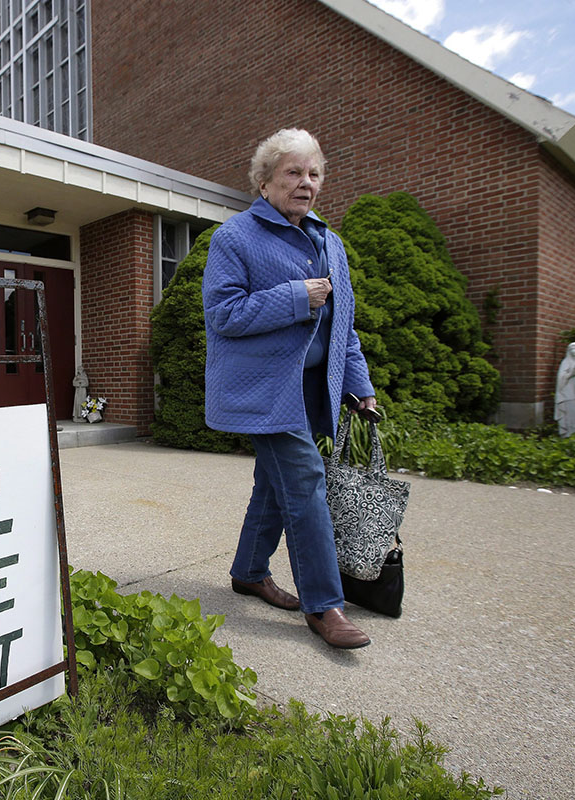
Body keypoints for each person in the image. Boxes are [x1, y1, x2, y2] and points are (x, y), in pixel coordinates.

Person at [202, 128, 377, 649]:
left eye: (314, 173)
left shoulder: (331, 242)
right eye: (293, 173)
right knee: (304, 481)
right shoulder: (235, 237)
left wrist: (358, 383)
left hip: (311, 389)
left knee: (274, 484)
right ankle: (326, 606)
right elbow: (223, 314)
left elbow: (342, 326)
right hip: (263, 392)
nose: (306, 183)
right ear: (264, 182)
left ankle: (250, 571)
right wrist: (295, 298)